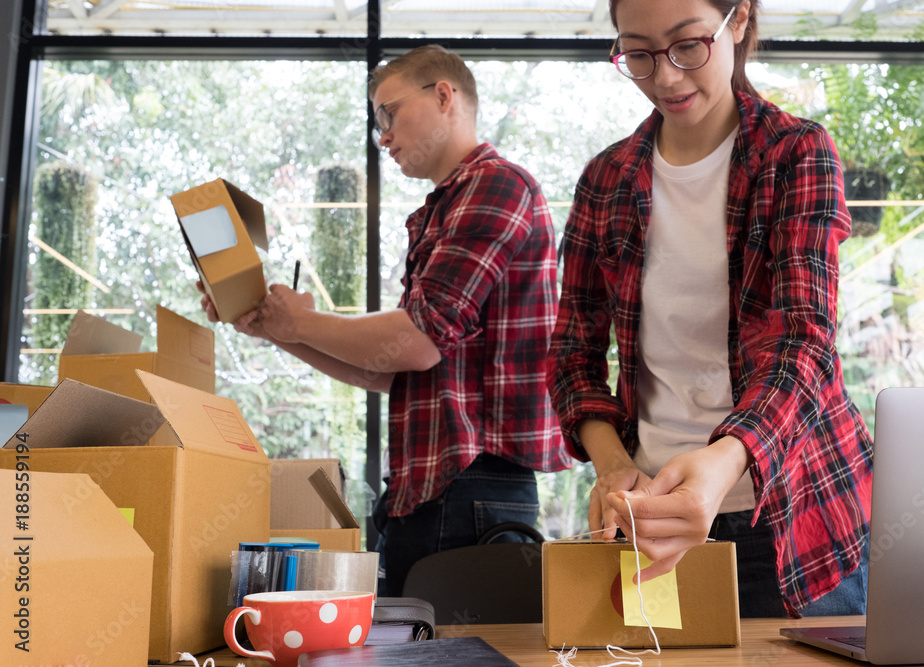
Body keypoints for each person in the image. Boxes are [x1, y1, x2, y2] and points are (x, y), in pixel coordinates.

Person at [200, 45, 570, 596]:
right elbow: (386, 372)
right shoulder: (445, 207)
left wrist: (300, 323)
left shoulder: (495, 186)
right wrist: (276, 330)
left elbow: (416, 342)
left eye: (388, 113)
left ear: (443, 96)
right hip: (438, 490)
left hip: (471, 487)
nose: (383, 136)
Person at [546, 0, 873, 617]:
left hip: (791, 510)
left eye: (687, 45)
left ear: (739, 21)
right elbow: (572, 354)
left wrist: (725, 464)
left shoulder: (796, 153)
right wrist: (614, 466)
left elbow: (804, 341)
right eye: (637, 53)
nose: (665, 77)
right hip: (652, 512)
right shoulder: (606, 178)